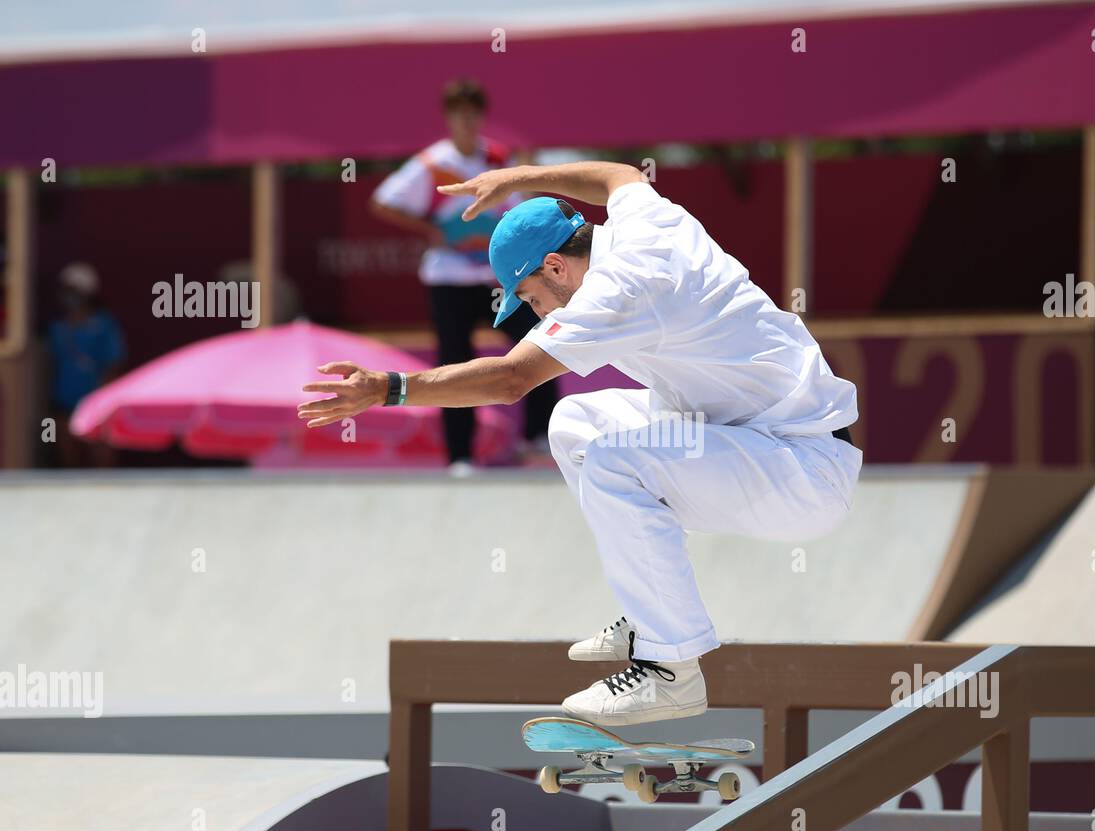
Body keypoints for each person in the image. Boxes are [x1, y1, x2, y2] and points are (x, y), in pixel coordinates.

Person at [300, 162, 861, 726]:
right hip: (748, 433)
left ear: (556, 267)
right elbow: (616, 175)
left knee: (617, 462)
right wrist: (518, 178)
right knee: (575, 422)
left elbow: (510, 379)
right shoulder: (643, 221)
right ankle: (655, 611)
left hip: (800, 467)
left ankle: (672, 674)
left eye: (532, 298)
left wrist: (391, 388)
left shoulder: (618, 291)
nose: (537, 316)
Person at [370, 77, 557, 473]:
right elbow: (383, 202)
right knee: (453, 362)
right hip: (448, 280)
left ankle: (538, 436)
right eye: (460, 115)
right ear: (449, 118)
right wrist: (431, 229)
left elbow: (522, 208)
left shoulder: (498, 159)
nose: (467, 123)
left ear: (481, 117)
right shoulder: (432, 163)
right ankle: (460, 456)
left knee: (540, 343)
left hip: (496, 281)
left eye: (474, 115)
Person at [46, 262, 126, 468]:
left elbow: (113, 363)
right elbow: (51, 364)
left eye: (73, 290)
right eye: (65, 290)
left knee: (101, 461)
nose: (68, 295)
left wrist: (103, 402)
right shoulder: (58, 327)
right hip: (63, 403)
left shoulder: (104, 325)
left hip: (96, 403)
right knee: (67, 459)